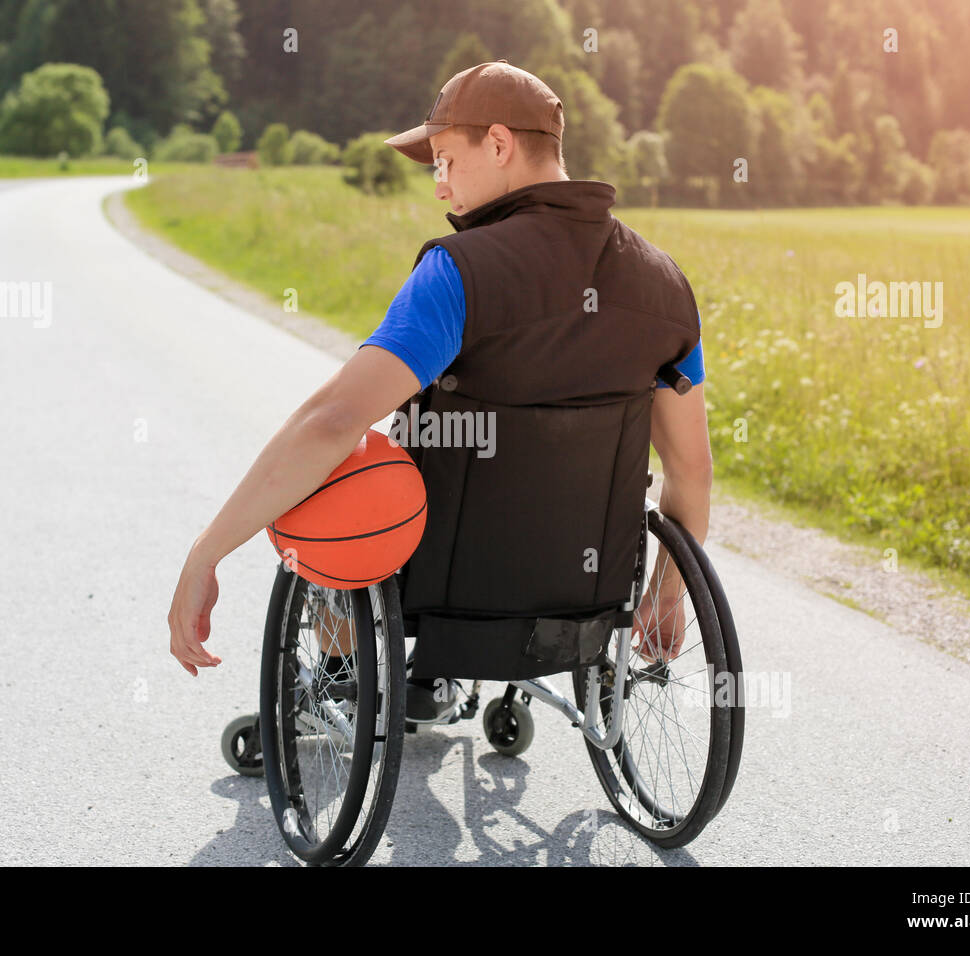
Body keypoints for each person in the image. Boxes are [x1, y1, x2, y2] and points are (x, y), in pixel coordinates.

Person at [168, 62, 713, 724]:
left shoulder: (458, 273)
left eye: (446, 160)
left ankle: (340, 679)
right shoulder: (666, 285)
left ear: (500, 144)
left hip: (435, 577)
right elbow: (691, 473)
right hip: (590, 582)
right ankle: (438, 682)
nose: (440, 185)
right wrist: (667, 593)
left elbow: (331, 422)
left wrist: (207, 552)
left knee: (339, 464)